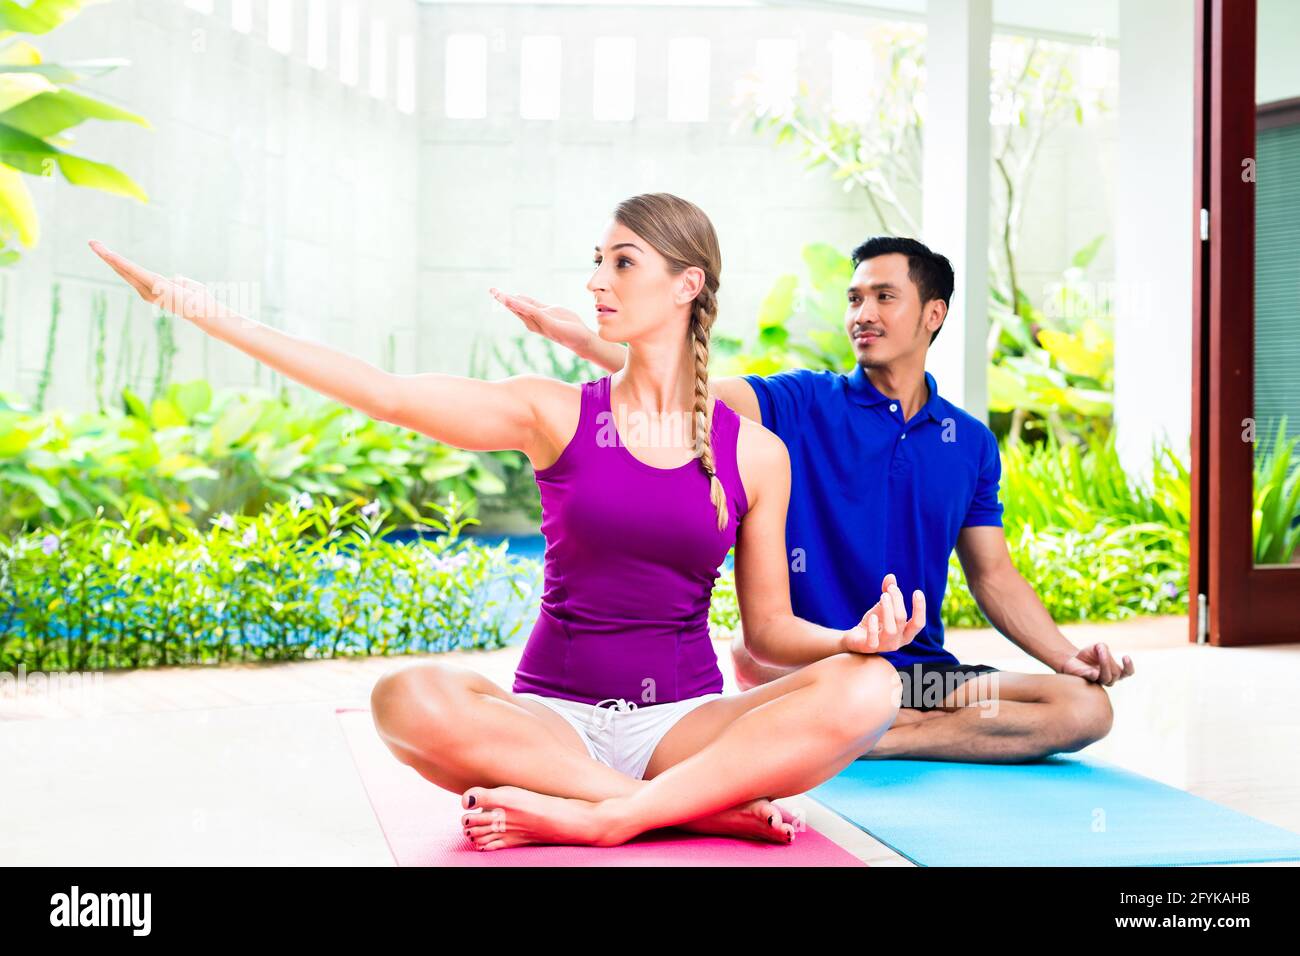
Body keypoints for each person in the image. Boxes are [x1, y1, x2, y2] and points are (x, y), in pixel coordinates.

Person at [88, 193, 925, 851]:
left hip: (681, 725)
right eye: (594, 262)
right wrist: (195, 306)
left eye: (621, 263)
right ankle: (673, 812)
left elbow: (770, 633)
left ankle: (606, 813)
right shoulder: (551, 413)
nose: (596, 281)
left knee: (873, 687)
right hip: (547, 723)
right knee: (406, 698)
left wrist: (852, 641)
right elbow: (386, 391)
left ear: (687, 284)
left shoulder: (756, 455)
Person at [494, 235, 1136, 765]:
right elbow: (678, 388)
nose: (864, 313)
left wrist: (1065, 656)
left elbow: (992, 573)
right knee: (755, 656)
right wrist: (583, 340)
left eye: (885, 296)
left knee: (1084, 708)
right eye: (856, 297)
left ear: (932, 314)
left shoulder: (967, 442)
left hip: (918, 677)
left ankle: (869, 740)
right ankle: (848, 725)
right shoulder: (798, 402)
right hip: (810, 665)